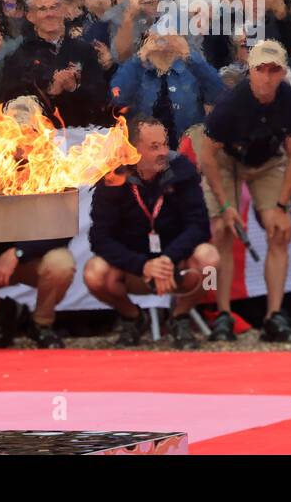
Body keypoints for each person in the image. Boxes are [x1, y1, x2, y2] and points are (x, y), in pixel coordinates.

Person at [198, 40, 291, 343]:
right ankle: (223, 314)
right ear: (250, 72)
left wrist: (284, 206)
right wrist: (224, 206)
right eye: (261, 70)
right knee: (222, 228)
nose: (268, 77)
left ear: (283, 73)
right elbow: (206, 155)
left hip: (268, 162)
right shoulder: (229, 105)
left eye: (275, 71)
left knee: (279, 230)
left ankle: (274, 315)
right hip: (226, 161)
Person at [85, 116, 219, 348]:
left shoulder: (182, 169)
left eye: (165, 144)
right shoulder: (112, 177)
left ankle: (181, 316)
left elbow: (200, 226)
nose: (164, 152)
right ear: (133, 151)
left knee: (211, 264)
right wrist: (143, 265)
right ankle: (133, 318)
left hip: (175, 266)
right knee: (93, 274)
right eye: (154, 147)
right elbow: (100, 239)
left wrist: (168, 259)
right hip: (134, 271)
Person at [0, 0, 111, 127]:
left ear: (63, 11)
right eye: (42, 9)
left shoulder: (85, 51)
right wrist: (50, 92)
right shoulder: (19, 56)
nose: (50, 14)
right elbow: (11, 104)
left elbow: (100, 98)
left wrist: (74, 88)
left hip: (81, 135)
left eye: (54, 7)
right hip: (39, 136)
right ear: (30, 16)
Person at [111, 30, 223, 148]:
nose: (164, 40)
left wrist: (188, 54)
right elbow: (118, 97)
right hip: (145, 151)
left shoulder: (192, 69)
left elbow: (218, 92)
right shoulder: (136, 69)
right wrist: (140, 57)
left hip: (186, 149)